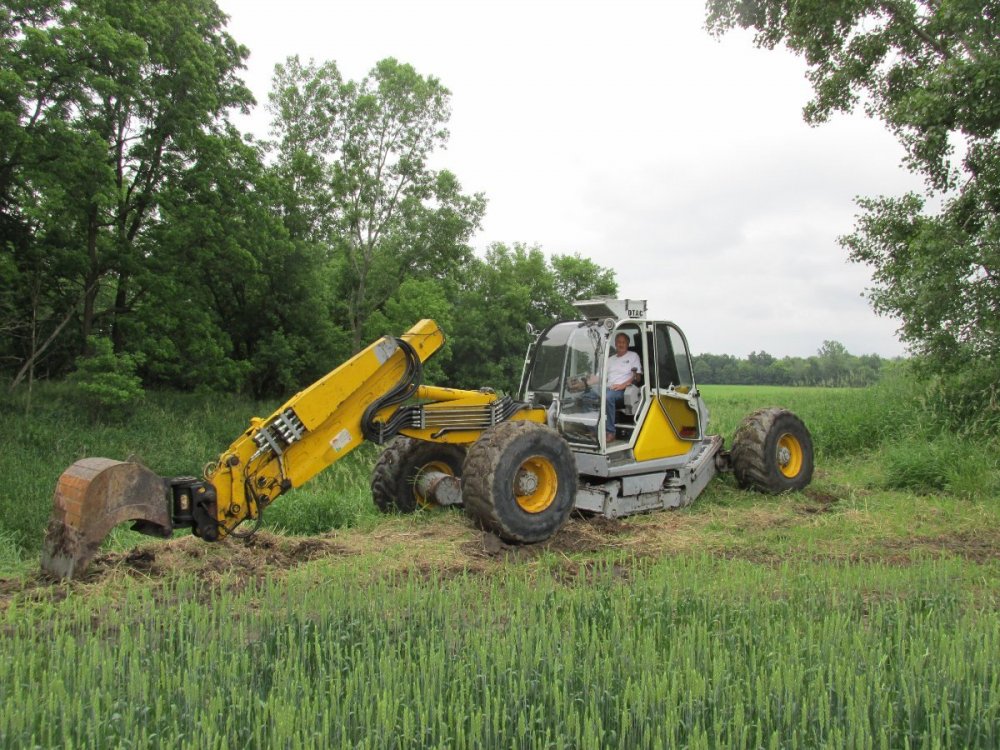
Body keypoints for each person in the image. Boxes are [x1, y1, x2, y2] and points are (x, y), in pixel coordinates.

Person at [604, 332, 641, 442]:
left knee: (608, 398)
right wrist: (584, 383)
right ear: (615, 344)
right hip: (608, 388)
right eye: (618, 342)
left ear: (627, 344)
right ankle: (592, 429)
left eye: (623, 342)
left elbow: (637, 377)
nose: (621, 344)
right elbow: (598, 378)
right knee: (587, 395)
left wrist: (622, 385)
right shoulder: (610, 359)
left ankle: (610, 432)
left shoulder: (633, 356)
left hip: (623, 391)